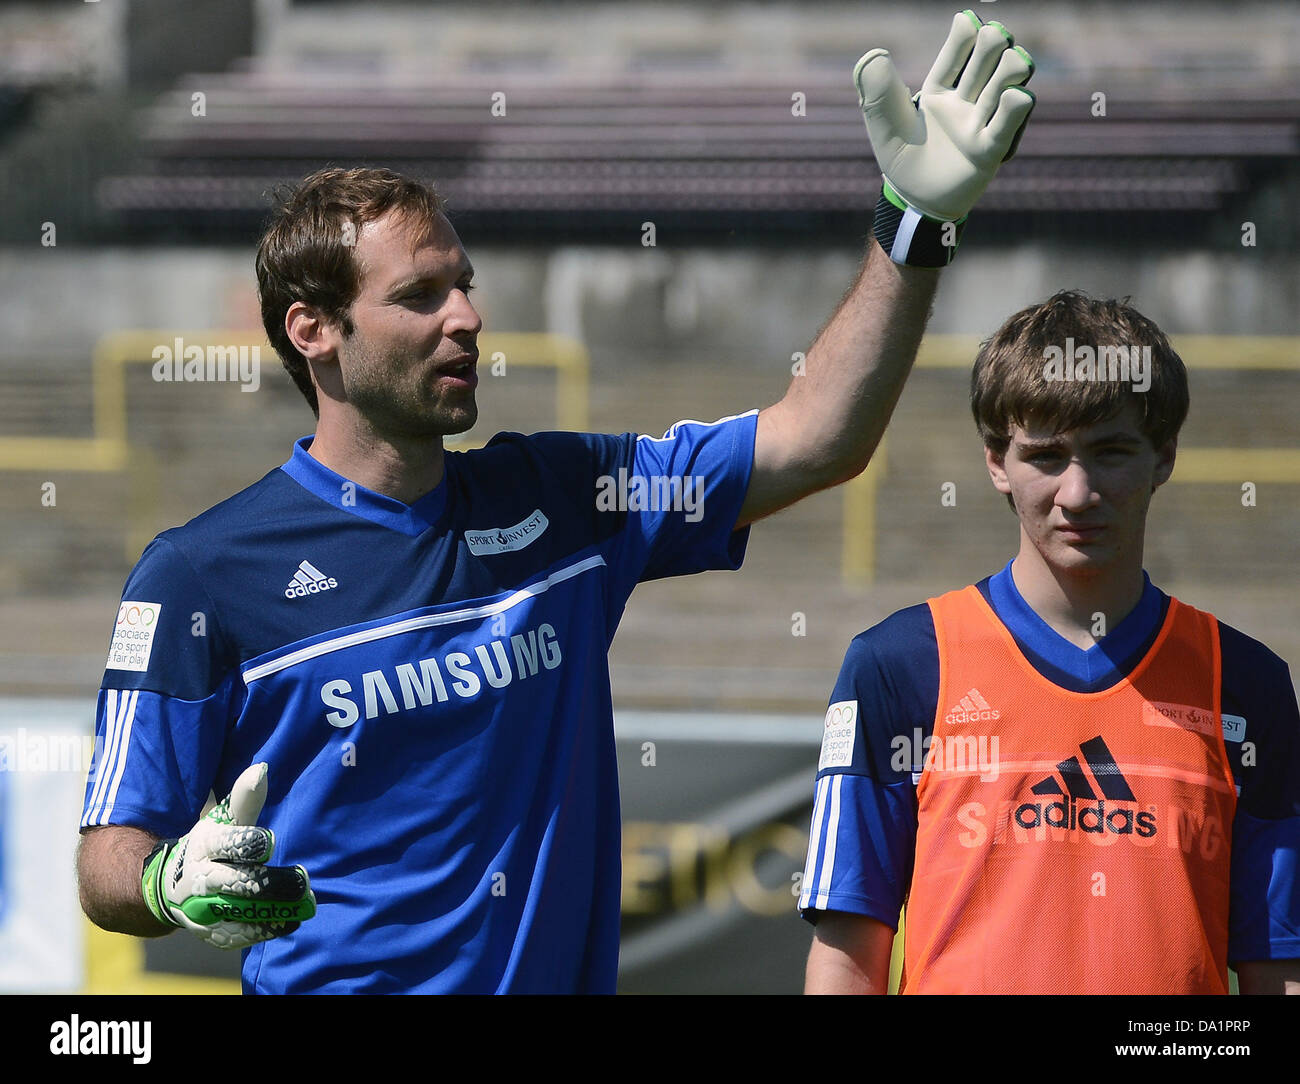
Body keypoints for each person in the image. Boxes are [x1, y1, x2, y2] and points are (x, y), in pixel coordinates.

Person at [76, 11, 1036, 993]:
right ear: (312, 329)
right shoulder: (199, 573)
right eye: (420, 296)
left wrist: (913, 227)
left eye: (465, 285)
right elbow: (106, 856)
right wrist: (166, 876)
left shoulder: (568, 499)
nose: (467, 317)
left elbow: (816, 436)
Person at [799, 290, 1300, 994]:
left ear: (1164, 456)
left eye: (1111, 452)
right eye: (1046, 455)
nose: (1077, 491)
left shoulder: (1245, 681)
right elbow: (847, 958)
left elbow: (1277, 964)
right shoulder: (901, 664)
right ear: (996, 462)